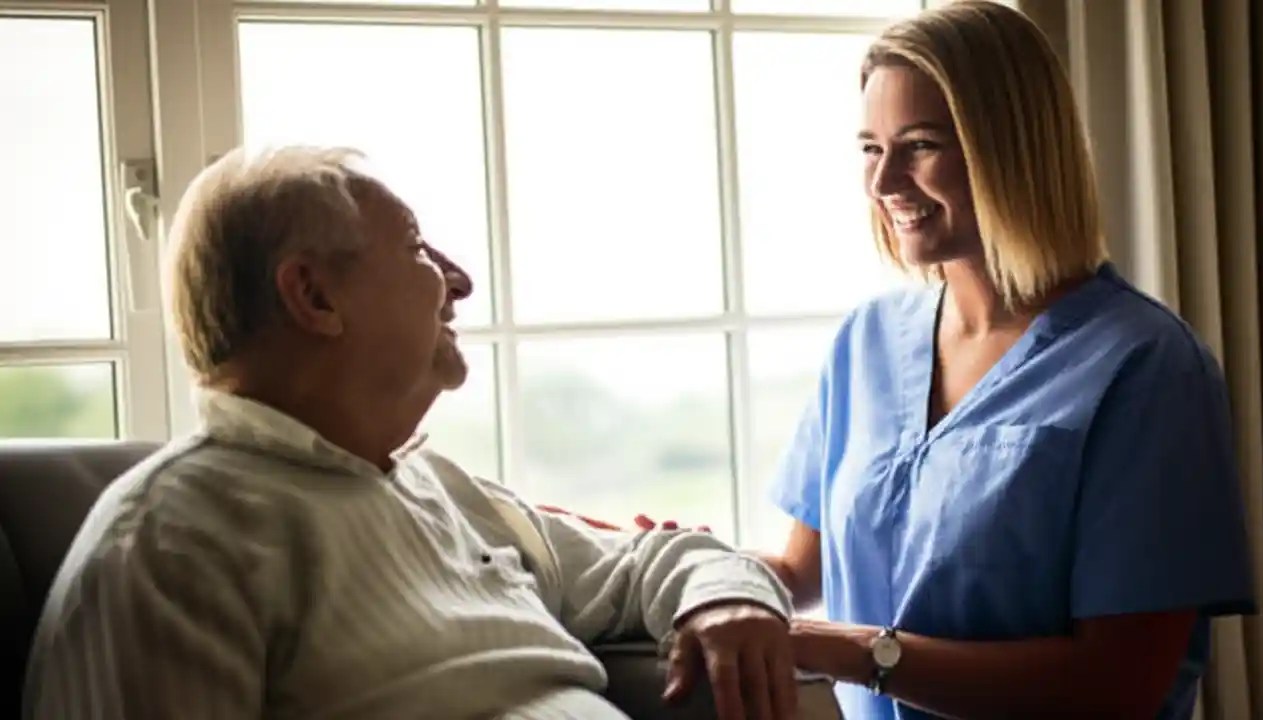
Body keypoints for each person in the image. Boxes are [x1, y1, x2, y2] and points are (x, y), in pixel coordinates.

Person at [23, 146, 801, 720]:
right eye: (415, 247)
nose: (457, 280)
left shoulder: (430, 485)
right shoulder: (171, 543)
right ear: (314, 296)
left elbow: (647, 563)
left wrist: (728, 597)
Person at [757, 2, 1256, 718]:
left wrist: (857, 653)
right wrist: (659, 569)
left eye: (920, 145)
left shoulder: (1146, 368)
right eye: (871, 148)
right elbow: (801, 571)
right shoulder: (865, 343)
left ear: (1011, 149)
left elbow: (1118, 686)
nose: (884, 182)